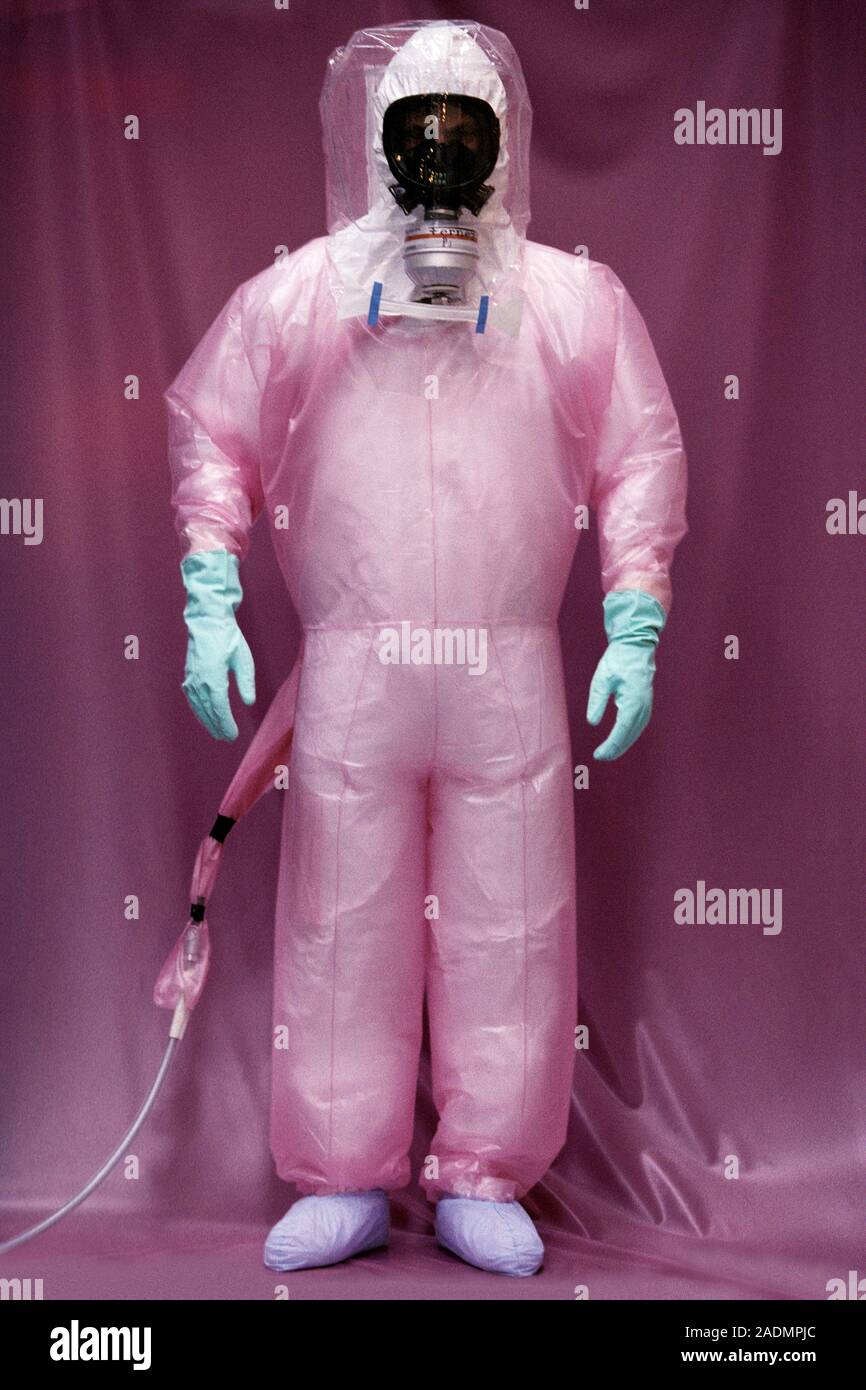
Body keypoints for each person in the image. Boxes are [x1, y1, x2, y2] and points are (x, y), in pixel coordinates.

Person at [166, 19, 687, 1278]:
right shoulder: (307, 293)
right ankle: (342, 1168)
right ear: (377, 139)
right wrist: (207, 591)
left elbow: (638, 456)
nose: (443, 155)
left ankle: (483, 1167)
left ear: (503, 144)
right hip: (357, 669)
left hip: (505, 673)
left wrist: (632, 618)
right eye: (419, 131)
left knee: (507, 925)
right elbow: (212, 430)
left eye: (466, 131)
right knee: (340, 923)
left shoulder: (565, 299)